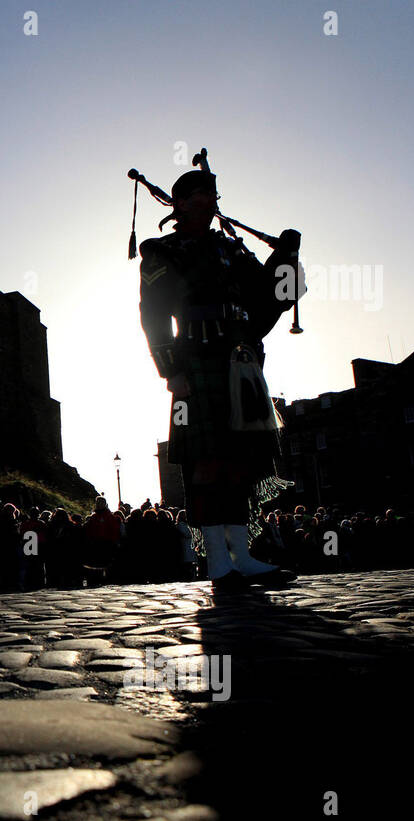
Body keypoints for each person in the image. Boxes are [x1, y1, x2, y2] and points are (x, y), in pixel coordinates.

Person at [137, 165, 302, 589]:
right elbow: (153, 315)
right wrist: (170, 369)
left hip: (239, 361)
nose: (212, 203)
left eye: (213, 196)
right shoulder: (163, 250)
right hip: (195, 361)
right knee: (206, 463)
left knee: (239, 461)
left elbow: (271, 301)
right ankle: (217, 562)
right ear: (181, 204)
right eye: (202, 197)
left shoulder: (232, 251)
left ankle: (242, 557)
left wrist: (285, 259)